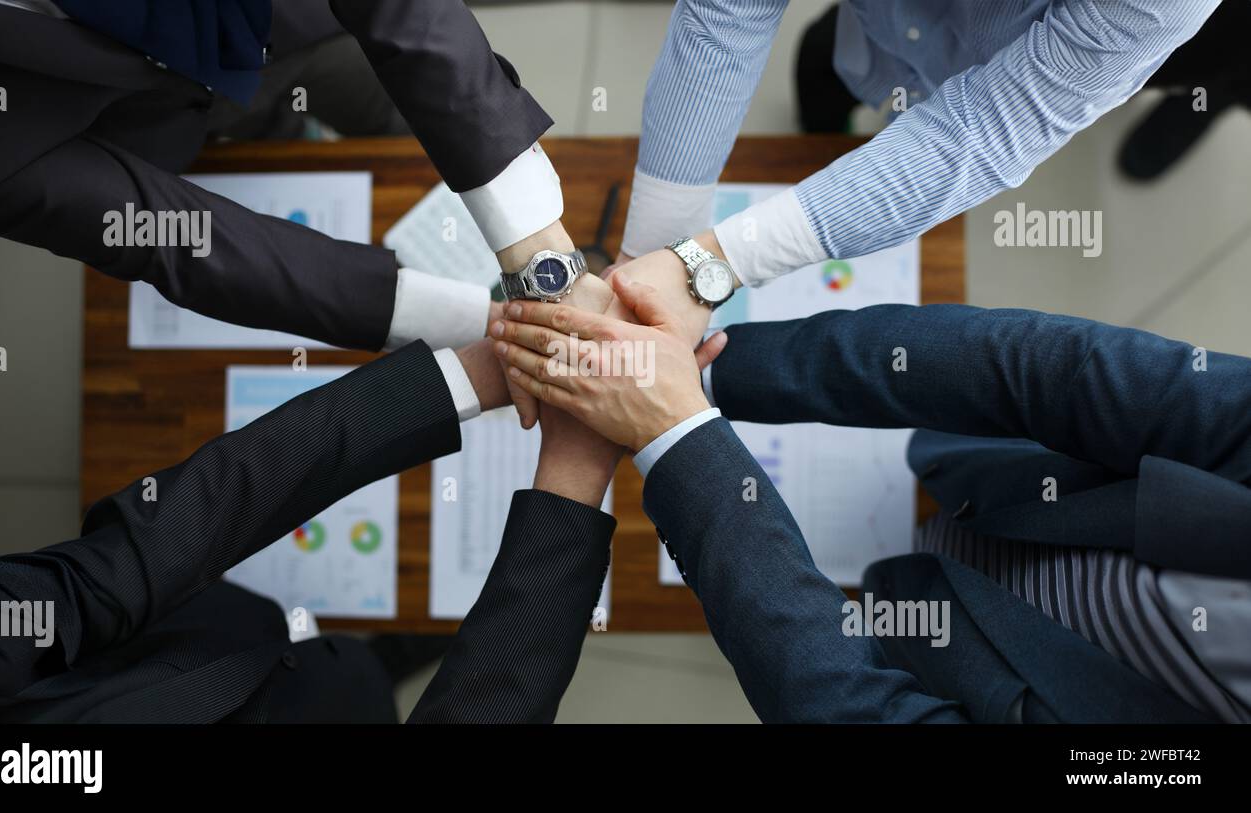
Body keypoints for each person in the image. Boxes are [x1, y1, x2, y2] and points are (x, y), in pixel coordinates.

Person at [492, 272, 1248, 722]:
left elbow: (851, 708)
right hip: (1011, 497)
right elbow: (1045, 370)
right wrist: (706, 370)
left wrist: (677, 432)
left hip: (934, 654)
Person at [0, 337, 638, 723]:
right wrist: (574, 475)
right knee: (358, 686)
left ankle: (368, 654)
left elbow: (103, 580)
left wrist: (463, 378)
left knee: (251, 620)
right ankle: (380, 663)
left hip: (173, 650)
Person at [0, 0, 611, 372]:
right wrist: (486, 323)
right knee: (275, 145)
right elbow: (173, 236)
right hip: (142, 118)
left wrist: (533, 243)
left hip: (294, 22)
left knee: (393, 115)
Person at [596, 0, 1221, 361]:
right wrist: (655, 251)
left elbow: (986, 128)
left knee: (1213, 73)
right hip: (875, 31)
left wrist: (709, 264)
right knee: (823, 75)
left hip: (1191, 39)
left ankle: (1204, 99)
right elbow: (729, 12)